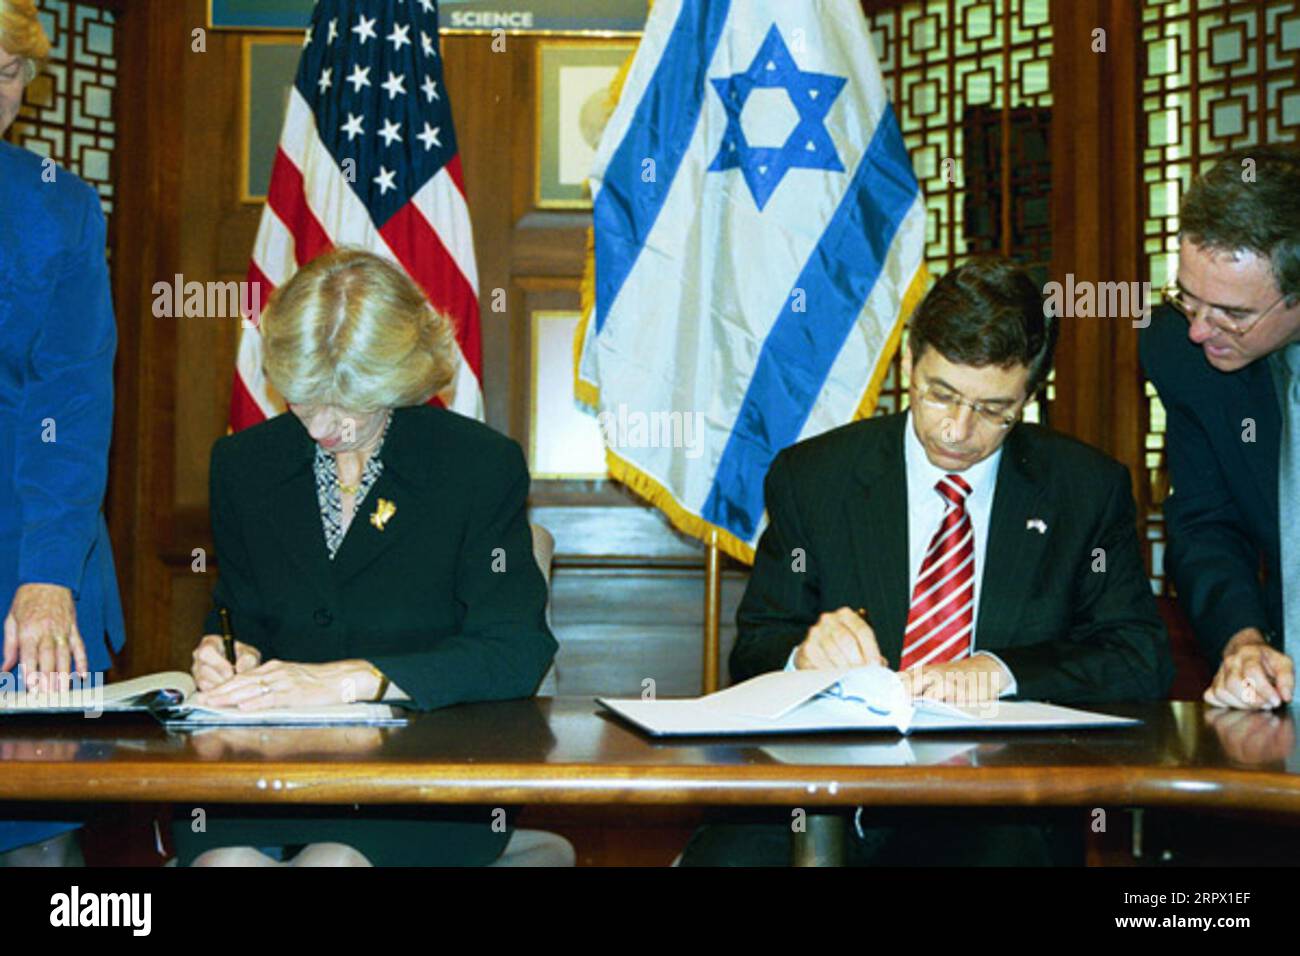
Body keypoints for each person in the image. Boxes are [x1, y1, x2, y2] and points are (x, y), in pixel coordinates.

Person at [681, 256, 1172, 866]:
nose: (959, 430)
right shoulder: (815, 478)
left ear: (1029, 395)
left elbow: (1137, 658)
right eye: (941, 394)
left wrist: (1001, 671)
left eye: (994, 409)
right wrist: (801, 656)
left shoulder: (1083, 490)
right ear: (910, 362)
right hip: (819, 794)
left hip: (997, 808)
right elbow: (755, 646)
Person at [174, 247, 561, 866]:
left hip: (423, 773)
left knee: (333, 863)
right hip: (264, 772)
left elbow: (515, 649)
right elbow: (236, 614)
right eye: (303, 398)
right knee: (227, 864)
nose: (323, 424)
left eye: (347, 402)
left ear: (399, 378)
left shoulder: (476, 466)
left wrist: (353, 679)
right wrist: (228, 654)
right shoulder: (244, 465)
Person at [0, 0, 126, 867]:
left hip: (25, 561)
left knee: (40, 853)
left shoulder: (59, 209)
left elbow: (74, 405)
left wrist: (47, 579)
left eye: (8, 73)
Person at [1140, 147, 1300, 711]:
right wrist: (1243, 639)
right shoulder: (1185, 357)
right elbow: (1207, 524)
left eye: (1231, 313)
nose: (1200, 331)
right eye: (1187, 298)